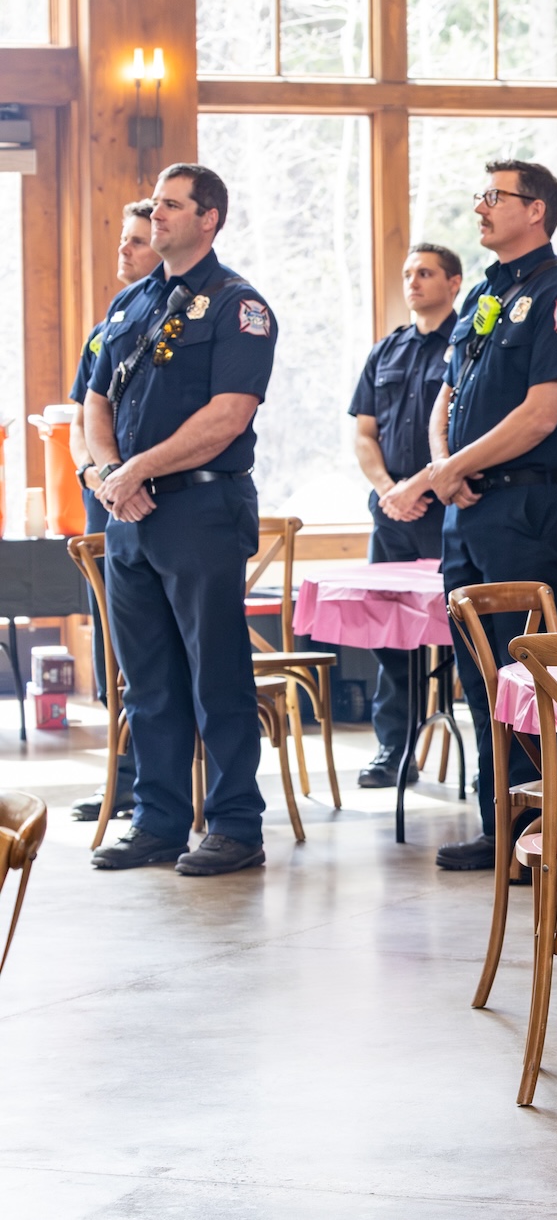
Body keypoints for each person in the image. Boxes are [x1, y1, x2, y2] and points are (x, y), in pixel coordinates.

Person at [395, 160, 557, 872]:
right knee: (477, 674)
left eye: (495, 197)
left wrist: (450, 470)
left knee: (526, 670)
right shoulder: (485, 292)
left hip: (524, 502)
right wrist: (444, 466)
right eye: (479, 195)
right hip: (467, 506)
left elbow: (542, 414)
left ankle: (542, 834)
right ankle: (500, 824)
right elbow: (447, 394)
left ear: (537, 209)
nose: (480, 207)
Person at [83, 163, 280, 876]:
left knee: (214, 671)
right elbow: (95, 403)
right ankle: (159, 820)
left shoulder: (238, 306)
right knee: (148, 678)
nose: (157, 215)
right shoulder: (131, 303)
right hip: (129, 513)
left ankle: (234, 824)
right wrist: (111, 474)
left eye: (172, 205)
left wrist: (140, 470)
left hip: (200, 505)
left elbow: (228, 415)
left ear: (209, 218)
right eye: (156, 204)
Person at [347, 243, 463, 789]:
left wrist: (424, 488)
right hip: (392, 513)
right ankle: (395, 748)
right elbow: (363, 434)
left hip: (447, 511)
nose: (413, 282)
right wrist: (390, 490)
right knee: (389, 633)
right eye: (407, 273)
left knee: (462, 635)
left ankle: (482, 754)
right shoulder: (385, 350)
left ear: (454, 283)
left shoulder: (468, 345)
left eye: (425, 273)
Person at [68, 198, 161, 824]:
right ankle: (123, 781)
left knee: (156, 656)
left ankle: (167, 783)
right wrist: (97, 474)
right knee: (114, 654)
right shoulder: (109, 323)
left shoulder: (177, 318)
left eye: (135, 241)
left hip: (157, 502)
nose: (123, 251)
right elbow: (82, 414)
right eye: (122, 239)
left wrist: (128, 479)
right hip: (106, 501)